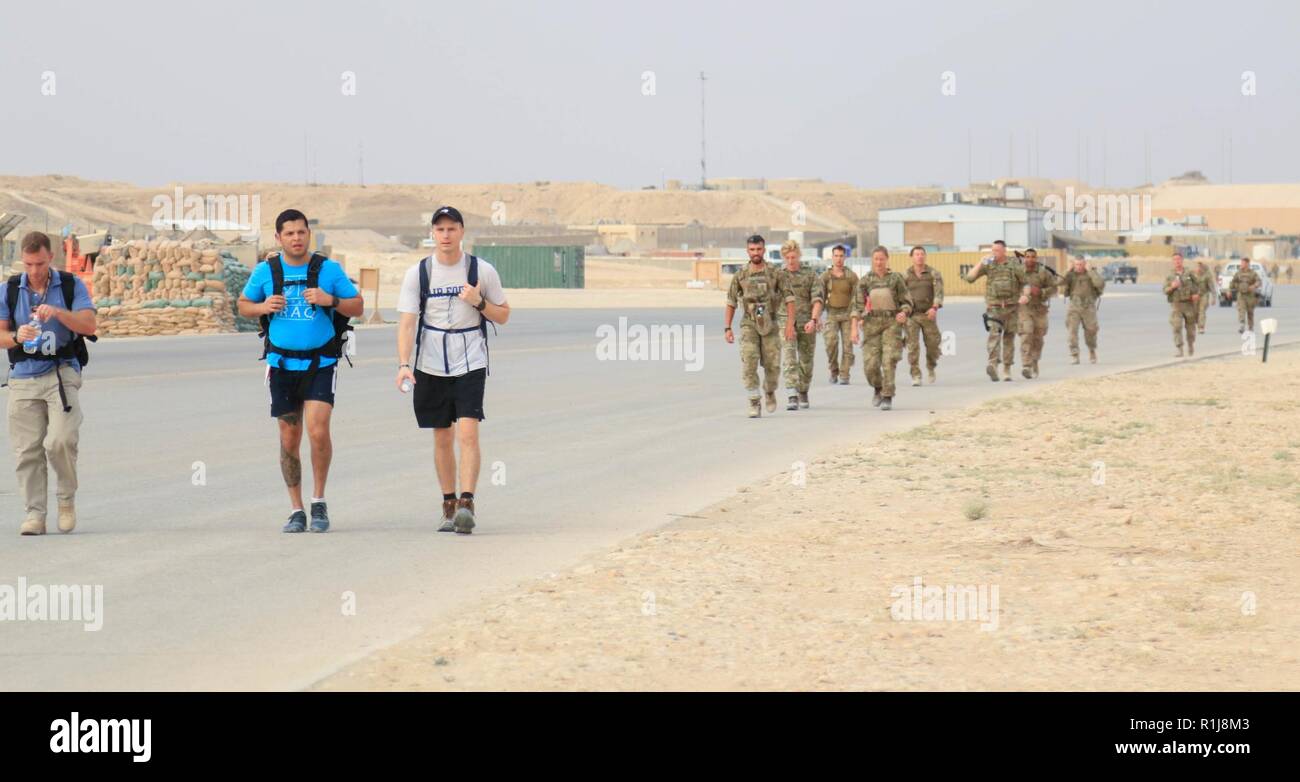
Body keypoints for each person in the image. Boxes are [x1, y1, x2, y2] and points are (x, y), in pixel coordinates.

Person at [238, 209, 363, 533]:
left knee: (318, 431)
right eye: (289, 233)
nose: (296, 238)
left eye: (301, 232)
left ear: (309, 234)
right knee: (288, 437)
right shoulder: (266, 271)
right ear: (278, 238)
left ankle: (318, 501)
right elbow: (243, 305)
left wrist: (330, 299)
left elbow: (358, 306)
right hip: (281, 366)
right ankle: (296, 509)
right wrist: (263, 307)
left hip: (320, 364)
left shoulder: (328, 270)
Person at [397, 206, 510, 533]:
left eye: (452, 229)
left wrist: (478, 301)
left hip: (470, 361)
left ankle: (467, 503)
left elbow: (503, 315)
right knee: (442, 435)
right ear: (432, 233)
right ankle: (448, 504)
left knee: (468, 432)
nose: (446, 235)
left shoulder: (480, 270)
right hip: (430, 362)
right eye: (440, 229)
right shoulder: (418, 273)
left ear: (462, 232)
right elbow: (406, 324)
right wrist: (404, 365)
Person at [0, 231, 97, 536]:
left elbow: (89, 325)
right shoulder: (10, 289)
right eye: (28, 264)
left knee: (59, 441)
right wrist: (16, 337)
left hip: (61, 373)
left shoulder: (69, 285)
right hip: (24, 376)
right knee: (26, 450)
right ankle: (35, 514)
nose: (34, 271)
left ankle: (66, 499)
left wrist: (58, 313)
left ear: (50, 257)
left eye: (39, 263)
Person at [725, 235, 789, 418]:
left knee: (772, 365)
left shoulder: (775, 273)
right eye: (752, 250)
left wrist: (790, 324)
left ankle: (769, 391)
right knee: (749, 361)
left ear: (764, 250)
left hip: (770, 322)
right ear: (747, 251)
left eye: (758, 249)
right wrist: (727, 328)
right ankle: (754, 401)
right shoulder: (741, 275)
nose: (755, 253)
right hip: (749, 323)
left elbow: (789, 298)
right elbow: (730, 302)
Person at [850, 246, 912, 411]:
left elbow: (907, 301)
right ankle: (878, 387)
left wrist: (904, 313)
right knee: (870, 365)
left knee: (889, 360)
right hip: (871, 325)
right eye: (876, 259)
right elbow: (856, 307)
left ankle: (887, 395)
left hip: (891, 323)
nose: (879, 262)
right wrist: (854, 329)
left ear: (887, 259)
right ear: (872, 260)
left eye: (881, 259)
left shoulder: (895, 279)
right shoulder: (865, 281)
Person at [964, 240, 1027, 381]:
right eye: (993, 250)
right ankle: (992, 365)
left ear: (1004, 251)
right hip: (994, 308)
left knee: (1009, 339)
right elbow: (969, 278)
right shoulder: (989, 264)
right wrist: (981, 262)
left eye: (997, 250)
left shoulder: (1014, 264)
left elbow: (1025, 282)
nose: (994, 253)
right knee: (994, 335)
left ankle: (1007, 369)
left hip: (1011, 308)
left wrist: (1025, 295)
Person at [775, 239, 821, 410]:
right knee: (789, 358)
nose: (791, 261)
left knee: (806, 361)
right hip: (785, 323)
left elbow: (817, 300)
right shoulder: (778, 277)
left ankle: (803, 391)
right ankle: (792, 394)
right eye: (787, 258)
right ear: (783, 258)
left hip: (806, 322)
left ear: (799, 256)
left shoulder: (810, 275)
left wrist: (814, 320)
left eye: (793, 257)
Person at [812, 245, 857, 385]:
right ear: (832, 257)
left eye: (841, 256)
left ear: (845, 257)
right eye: (836, 256)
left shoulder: (851, 276)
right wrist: (817, 317)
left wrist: (857, 318)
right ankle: (833, 370)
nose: (838, 259)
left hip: (847, 314)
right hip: (831, 313)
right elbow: (819, 297)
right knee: (831, 343)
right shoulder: (825, 276)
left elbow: (858, 298)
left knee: (848, 346)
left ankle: (845, 373)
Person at [903, 246, 944, 385]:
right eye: (917, 254)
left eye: (922, 254)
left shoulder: (933, 273)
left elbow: (939, 293)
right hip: (912, 316)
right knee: (912, 346)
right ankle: (916, 374)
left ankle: (931, 366)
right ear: (912, 257)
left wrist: (934, 308)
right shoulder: (905, 275)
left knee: (933, 345)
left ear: (925, 256)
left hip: (928, 314)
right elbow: (900, 295)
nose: (919, 256)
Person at [1016, 249, 1056, 379]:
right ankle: (1026, 365)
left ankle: (1035, 361)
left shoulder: (1043, 272)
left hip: (1040, 309)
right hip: (1024, 309)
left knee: (1038, 338)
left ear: (1036, 258)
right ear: (1024, 258)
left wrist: (1040, 292)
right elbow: (1011, 287)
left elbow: (1054, 287)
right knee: (1026, 334)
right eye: (1027, 257)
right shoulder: (1018, 271)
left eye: (1032, 257)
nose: (1029, 259)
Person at [1059, 256, 1105, 364]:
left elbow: (1099, 284)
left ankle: (1092, 350)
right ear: (1074, 265)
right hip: (1074, 306)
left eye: (1081, 264)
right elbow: (1058, 282)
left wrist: (1090, 271)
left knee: (1091, 331)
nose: (1079, 267)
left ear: (1085, 264)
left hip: (1088, 307)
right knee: (1072, 332)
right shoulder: (1070, 274)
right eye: (1077, 264)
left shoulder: (1091, 273)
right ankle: (1074, 355)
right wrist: (1067, 270)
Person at [1164, 252, 1201, 358]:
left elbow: (1199, 285)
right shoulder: (1170, 276)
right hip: (1176, 305)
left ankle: (1190, 345)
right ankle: (1179, 348)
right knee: (1176, 327)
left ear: (1182, 260)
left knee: (1190, 329)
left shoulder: (1189, 273)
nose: (1177, 261)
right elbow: (1164, 290)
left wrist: (1197, 294)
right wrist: (1172, 287)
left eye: (1178, 259)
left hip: (1189, 304)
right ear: (1172, 262)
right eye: (1175, 259)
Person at [1229, 259, 1262, 333]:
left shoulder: (1253, 273)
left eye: (1243, 263)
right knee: (1241, 309)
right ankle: (1242, 325)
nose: (1241, 264)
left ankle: (1251, 327)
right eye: (1241, 263)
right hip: (1241, 294)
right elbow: (1233, 282)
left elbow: (1259, 281)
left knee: (1250, 312)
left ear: (1247, 264)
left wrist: (1254, 286)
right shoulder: (1238, 273)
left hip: (1250, 295)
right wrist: (1229, 290)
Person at [1193, 259, 1215, 334]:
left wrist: (1214, 298)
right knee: (1195, 312)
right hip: (1195, 296)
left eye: (1200, 267)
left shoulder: (1207, 276)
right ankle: (1198, 322)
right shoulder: (1192, 275)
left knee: (1202, 311)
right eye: (1197, 267)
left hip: (1204, 295)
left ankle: (1201, 327)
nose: (1198, 269)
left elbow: (1212, 287)